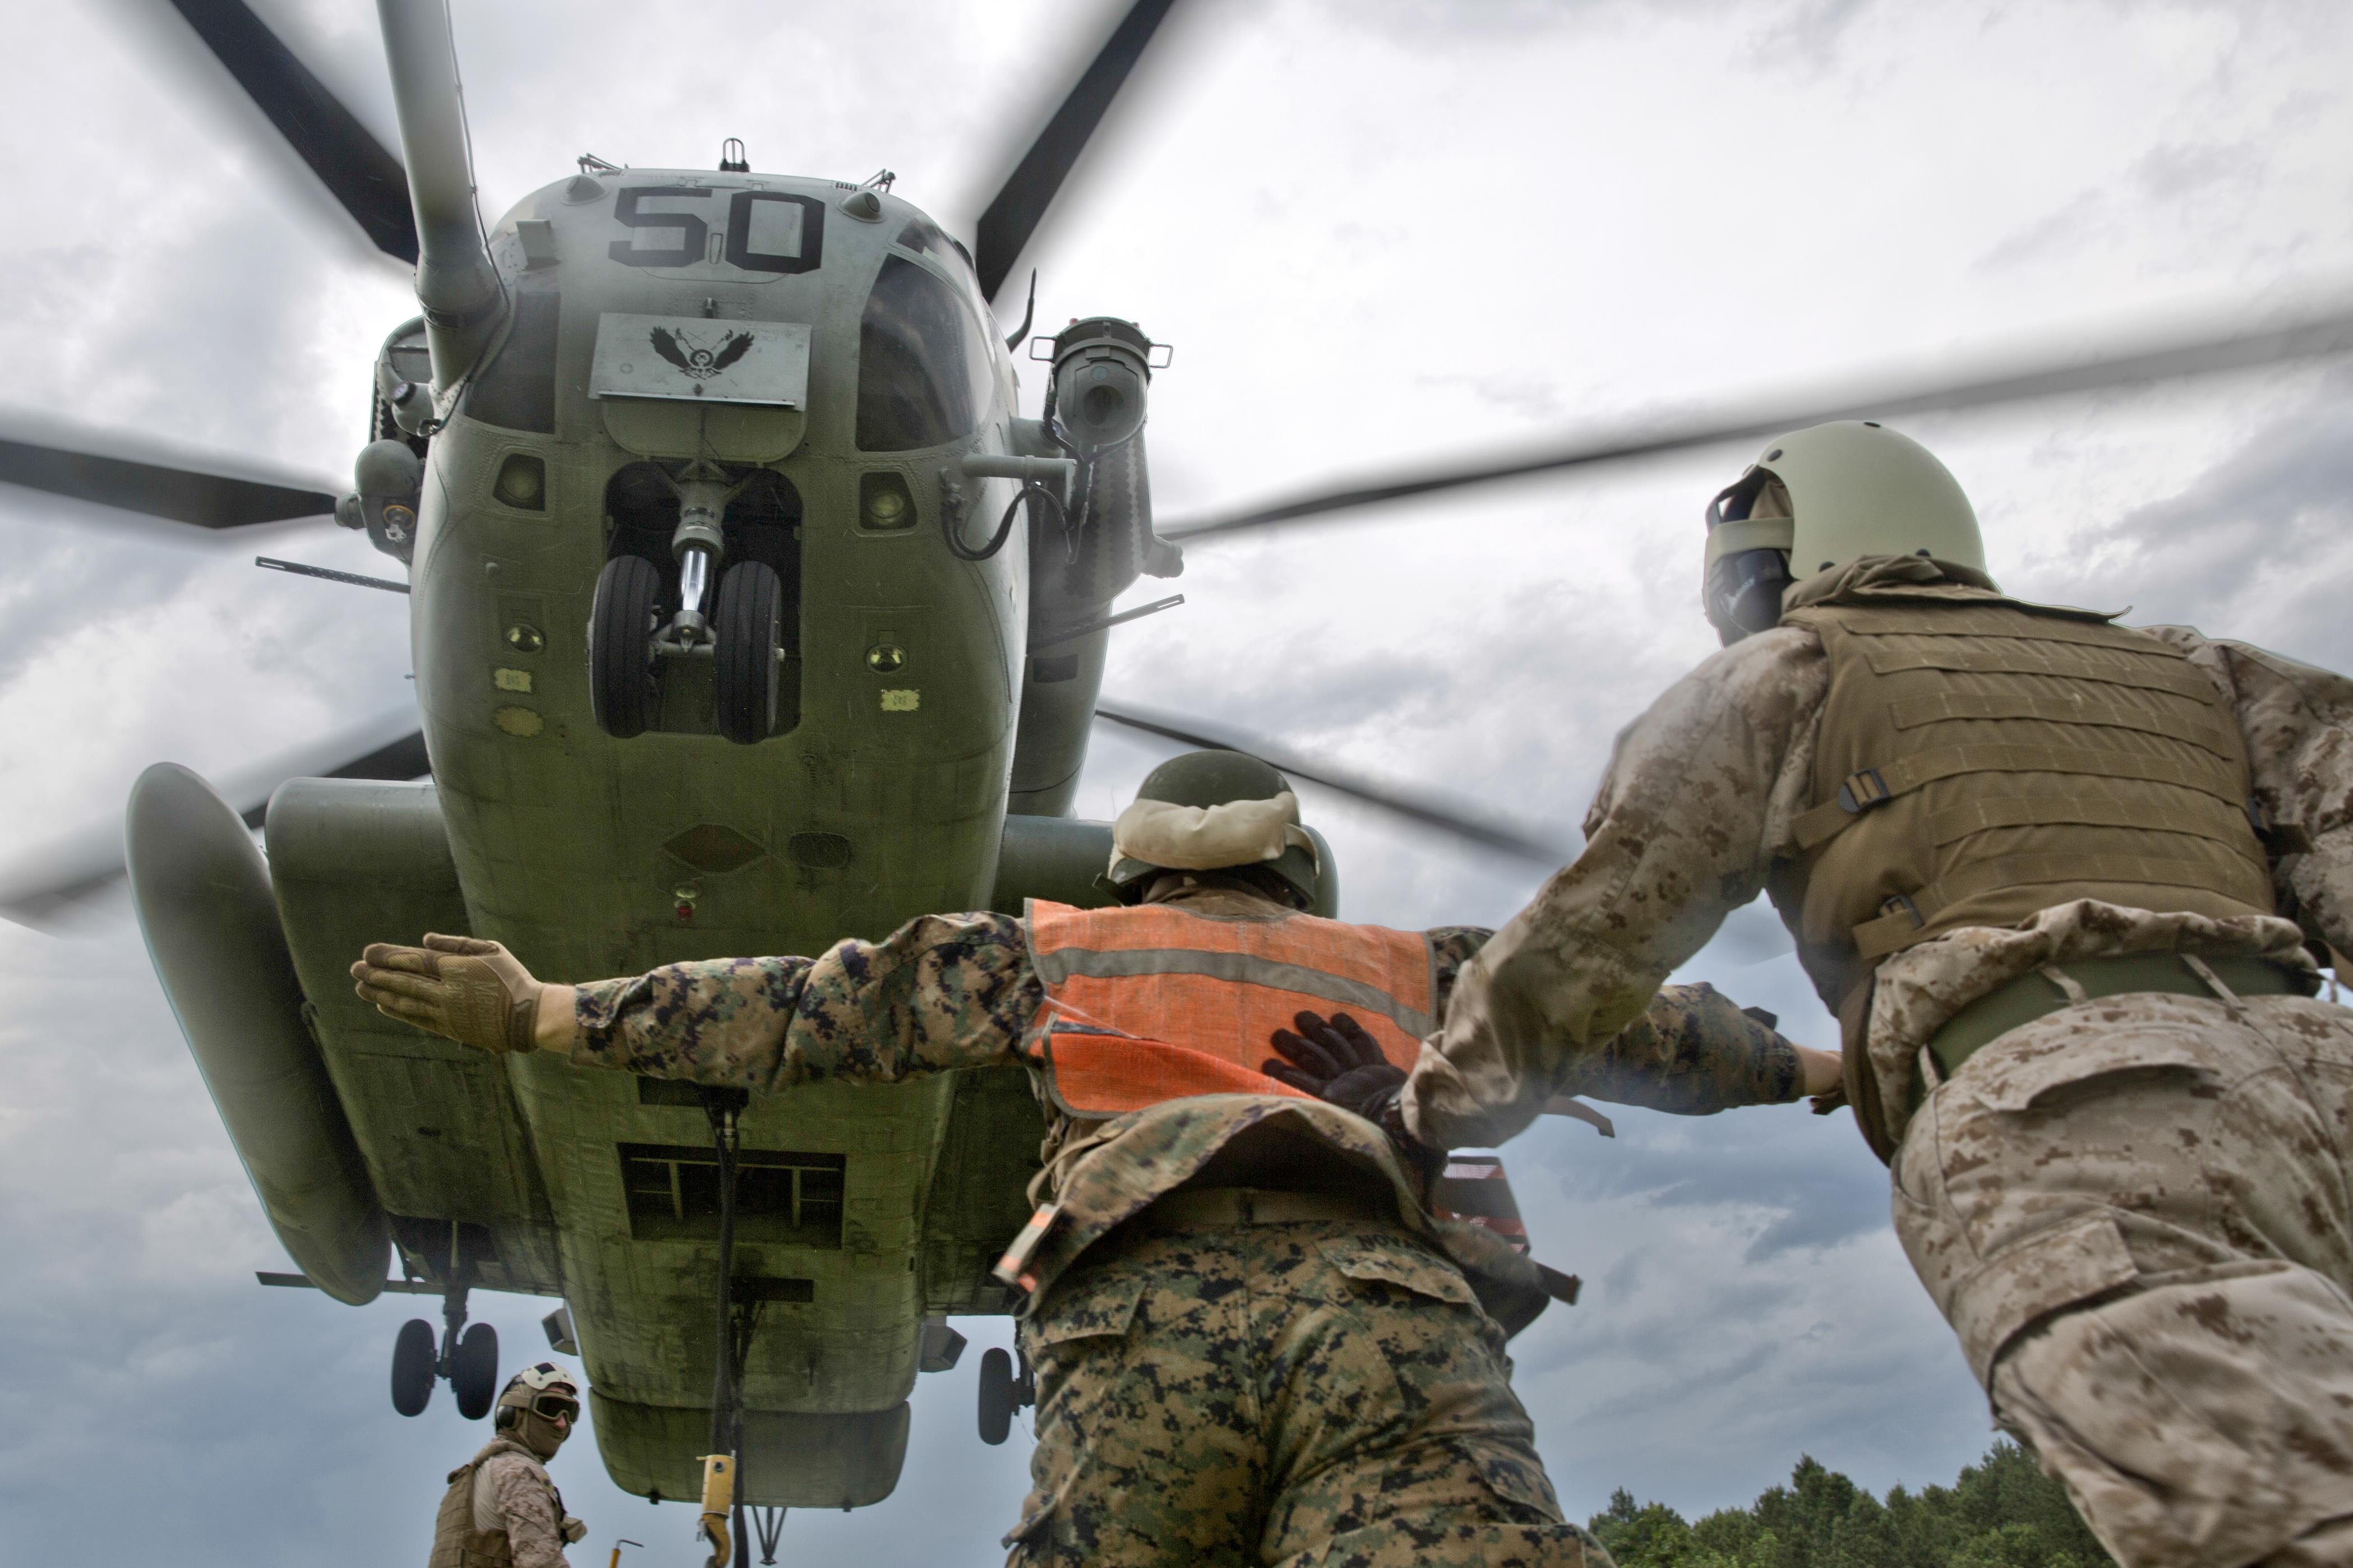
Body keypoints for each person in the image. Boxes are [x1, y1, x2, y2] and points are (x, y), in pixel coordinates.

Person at [355, 751, 1840, 1568]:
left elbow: (809, 1008)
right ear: (1296, 870)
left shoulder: (1056, 953)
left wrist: (549, 1011)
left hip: (1140, 1325)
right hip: (1384, 1314)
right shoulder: (1409, 964)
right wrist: (1832, 1068)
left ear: (1132, 872)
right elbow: (1635, 1017)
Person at [1342, 419, 2353, 1568]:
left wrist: (1426, 1115)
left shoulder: (1786, 675)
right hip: (2322, 1059)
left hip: (2076, 1113)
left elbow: (1580, 951)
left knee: (2280, 1526)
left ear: (1788, 559)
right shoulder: (2204, 670)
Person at [430, 1362, 588, 1568]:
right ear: (513, 1414)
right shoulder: (520, 1472)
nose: (562, 1423)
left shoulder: (465, 1481)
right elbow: (541, 1563)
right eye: (551, 1408)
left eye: (570, 1412)